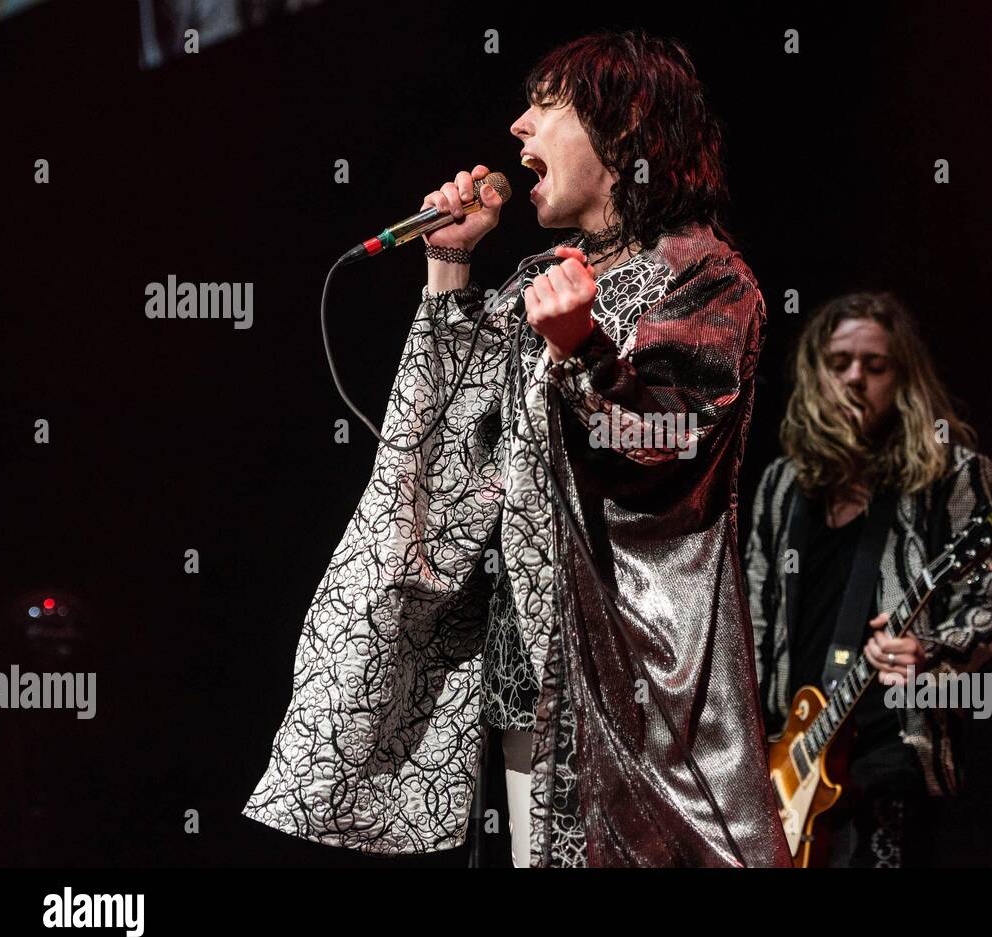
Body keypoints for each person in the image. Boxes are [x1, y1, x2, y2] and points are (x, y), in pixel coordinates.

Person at [243, 30, 792, 868]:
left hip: (638, 685)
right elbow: (444, 457)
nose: (517, 128)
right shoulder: (537, 272)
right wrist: (449, 269)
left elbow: (667, 445)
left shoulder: (707, 276)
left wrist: (583, 352)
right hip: (526, 681)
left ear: (624, 125)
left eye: (546, 106)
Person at [744, 291, 992, 867]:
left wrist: (927, 650)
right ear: (816, 374)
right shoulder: (780, 487)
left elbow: (987, 611)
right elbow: (751, 620)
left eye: (875, 365)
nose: (855, 379)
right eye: (839, 364)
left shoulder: (952, 476)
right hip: (787, 766)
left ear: (903, 377)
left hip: (891, 755)